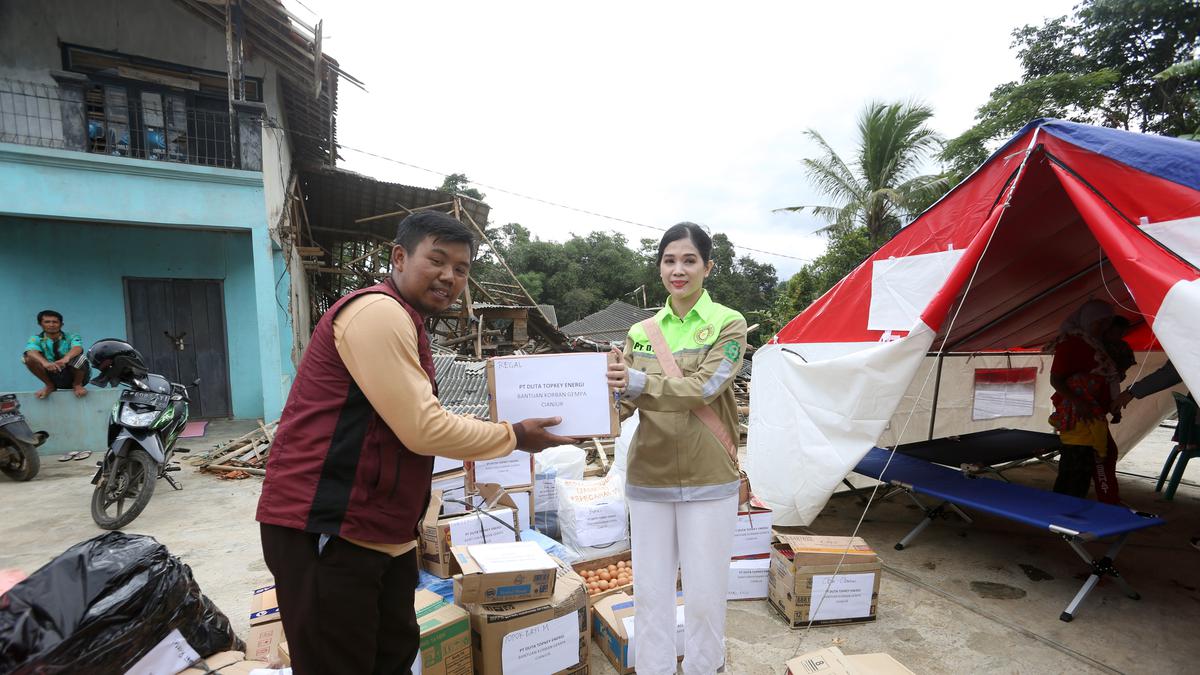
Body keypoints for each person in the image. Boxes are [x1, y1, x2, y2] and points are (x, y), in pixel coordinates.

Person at [255, 212, 576, 675]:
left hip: (379, 531)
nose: (450, 277)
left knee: (392, 658)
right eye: (437, 260)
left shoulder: (406, 320)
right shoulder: (377, 313)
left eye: (462, 268)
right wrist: (514, 436)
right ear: (400, 257)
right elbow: (423, 428)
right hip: (327, 526)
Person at [607, 222, 748, 675]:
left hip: (710, 480)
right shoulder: (640, 331)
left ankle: (706, 668)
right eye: (669, 260)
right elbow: (625, 403)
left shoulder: (728, 323)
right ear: (660, 267)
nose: (678, 269)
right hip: (649, 477)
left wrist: (636, 381)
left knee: (706, 597)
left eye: (689, 260)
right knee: (650, 595)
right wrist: (591, 402)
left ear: (708, 266)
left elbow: (704, 387)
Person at [1048, 299, 1122, 504]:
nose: (1103, 327)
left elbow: (1108, 378)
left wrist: (1113, 405)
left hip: (1092, 413)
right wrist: (1079, 401)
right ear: (1088, 320)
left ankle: (1094, 502)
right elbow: (1055, 379)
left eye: (1107, 323)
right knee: (1075, 467)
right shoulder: (1071, 343)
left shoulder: (1096, 344)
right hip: (1080, 417)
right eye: (1099, 322)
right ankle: (1063, 511)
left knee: (1084, 466)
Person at [22, 310, 89, 399]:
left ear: (61, 324)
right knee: (28, 359)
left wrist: (65, 359)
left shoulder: (72, 336)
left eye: (55, 322)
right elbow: (31, 351)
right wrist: (45, 363)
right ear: (40, 324)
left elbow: (77, 348)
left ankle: (77, 385)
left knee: (80, 357)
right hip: (52, 375)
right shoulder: (35, 338)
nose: (51, 325)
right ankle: (49, 386)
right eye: (47, 322)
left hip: (75, 374)